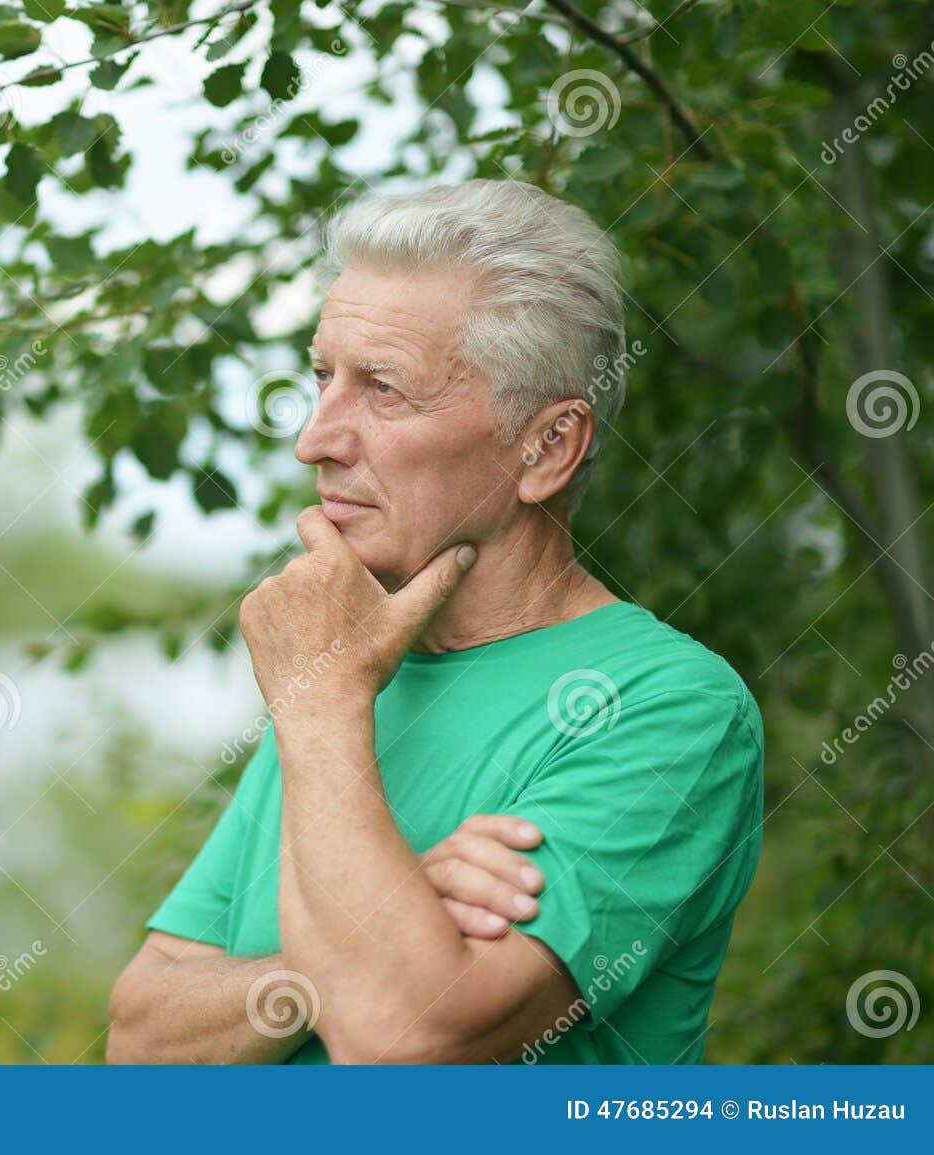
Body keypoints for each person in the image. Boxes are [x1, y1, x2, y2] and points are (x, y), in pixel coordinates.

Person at [106, 180, 764, 1064]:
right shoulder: (345, 677)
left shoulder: (672, 707)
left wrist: (324, 710)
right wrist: (361, 938)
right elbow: (142, 1041)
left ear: (548, 448)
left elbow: (404, 1035)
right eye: (319, 377)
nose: (314, 438)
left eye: (381, 388)